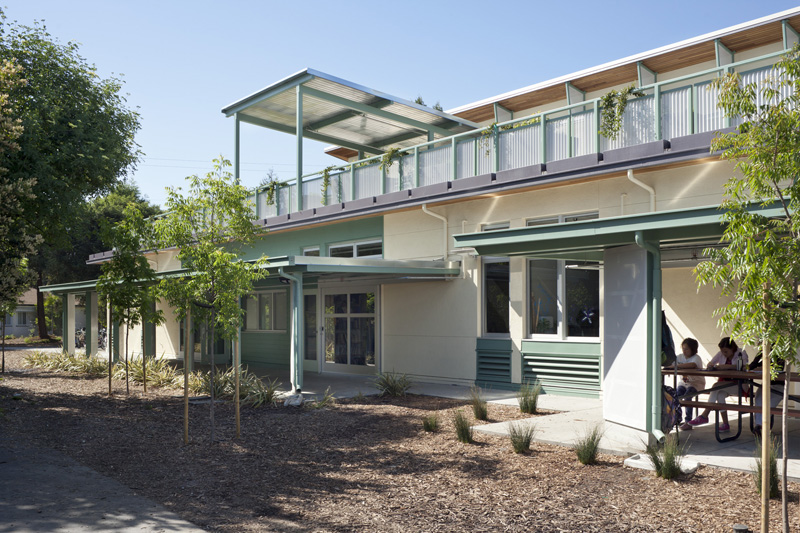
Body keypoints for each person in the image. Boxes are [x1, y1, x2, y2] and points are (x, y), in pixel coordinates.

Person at [688, 337, 748, 431]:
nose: (724, 354)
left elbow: (744, 366)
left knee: (715, 387)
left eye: (726, 351)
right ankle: (725, 424)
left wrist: (727, 367)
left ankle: (705, 415)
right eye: (722, 351)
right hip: (725, 383)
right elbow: (710, 363)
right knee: (719, 394)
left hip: (739, 384)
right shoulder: (721, 354)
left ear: (732, 348)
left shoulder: (741, 353)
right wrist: (711, 365)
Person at [665, 337, 705, 431]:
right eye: (683, 348)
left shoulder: (696, 358)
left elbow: (692, 365)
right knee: (676, 396)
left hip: (696, 383)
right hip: (683, 383)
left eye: (687, 349)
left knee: (688, 396)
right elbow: (671, 364)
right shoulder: (679, 357)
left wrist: (676, 366)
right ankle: (676, 418)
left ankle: (688, 421)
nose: (684, 351)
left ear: (693, 349)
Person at [749, 351, 785, 434]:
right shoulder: (761, 353)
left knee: (769, 404)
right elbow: (752, 366)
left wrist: (762, 368)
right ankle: (759, 426)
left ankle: (763, 427)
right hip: (765, 384)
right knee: (758, 400)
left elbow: (777, 369)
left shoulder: (778, 352)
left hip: (778, 386)